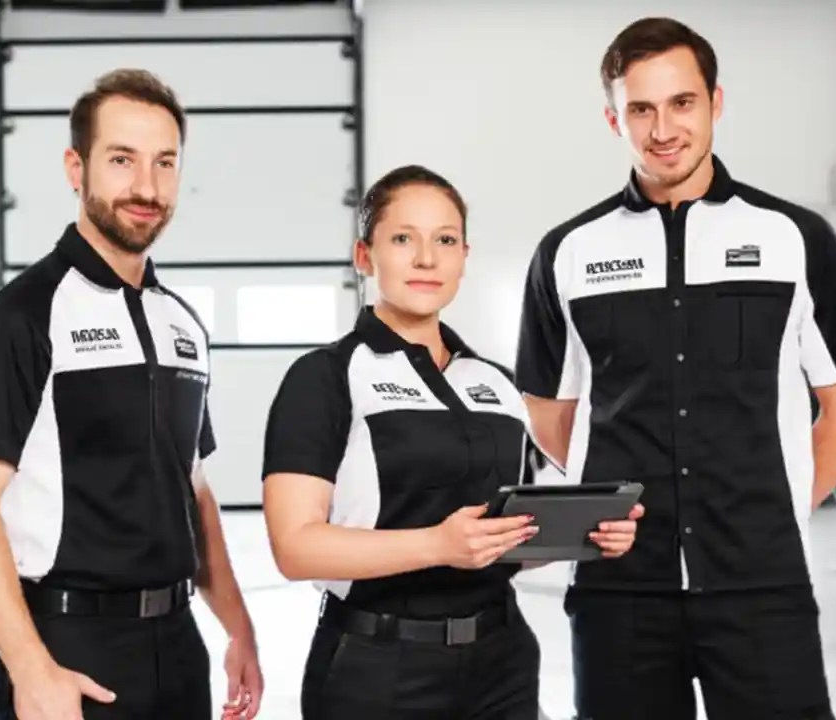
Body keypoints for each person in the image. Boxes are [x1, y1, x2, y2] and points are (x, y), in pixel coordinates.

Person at [515, 17, 836, 720]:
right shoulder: (567, 252)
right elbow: (549, 414)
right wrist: (610, 506)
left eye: (681, 103)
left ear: (715, 102)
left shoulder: (794, 239)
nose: (662, 129)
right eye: (640, 109)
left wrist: (777, 505)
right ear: (612, 118)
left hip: (762, 586)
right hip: (618, 587)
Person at [260, 165, 644, 719]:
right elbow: (294, 548)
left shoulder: (496, 382)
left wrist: (589, 532)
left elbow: (504, 535)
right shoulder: (325, 377)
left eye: (444, 240)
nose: (426, 258)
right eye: (402, 239)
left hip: (502, 663)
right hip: (378, 669)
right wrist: (438, 545)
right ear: (365, 256)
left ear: (464, 255)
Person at [0, 69, 263, 720]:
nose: (146, 187)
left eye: (164, 163)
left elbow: (193, 491)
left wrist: (239, 628)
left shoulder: (183, 325)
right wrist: (31, 671)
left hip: (178, 649)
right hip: (67, 651)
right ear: (75, 166)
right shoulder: (20, 322)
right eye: (122, 160)